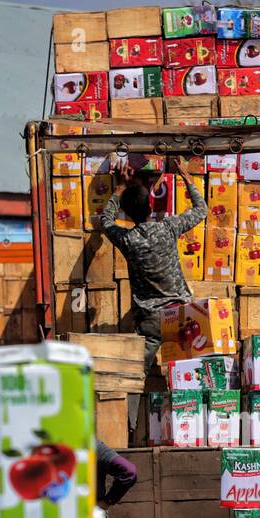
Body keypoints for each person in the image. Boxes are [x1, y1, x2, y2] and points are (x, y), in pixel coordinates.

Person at [101, 156, 207, 372]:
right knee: (187, 373)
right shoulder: (168, 228)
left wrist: (120, 188)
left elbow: (106, 221)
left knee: (137, 372)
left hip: (150, 320)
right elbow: (201, 210)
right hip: (180, 313)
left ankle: (131, 404)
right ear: (150, 205)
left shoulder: (128, 240)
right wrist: (186, 177)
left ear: (127, 214)